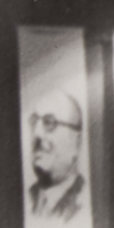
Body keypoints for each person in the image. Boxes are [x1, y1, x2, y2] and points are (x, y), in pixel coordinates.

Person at [25, 90, 87, 220]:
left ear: (77, 142)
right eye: (34, 123)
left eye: (49, 123)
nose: (37, 134)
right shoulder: (25, 201)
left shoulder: (86, 201)